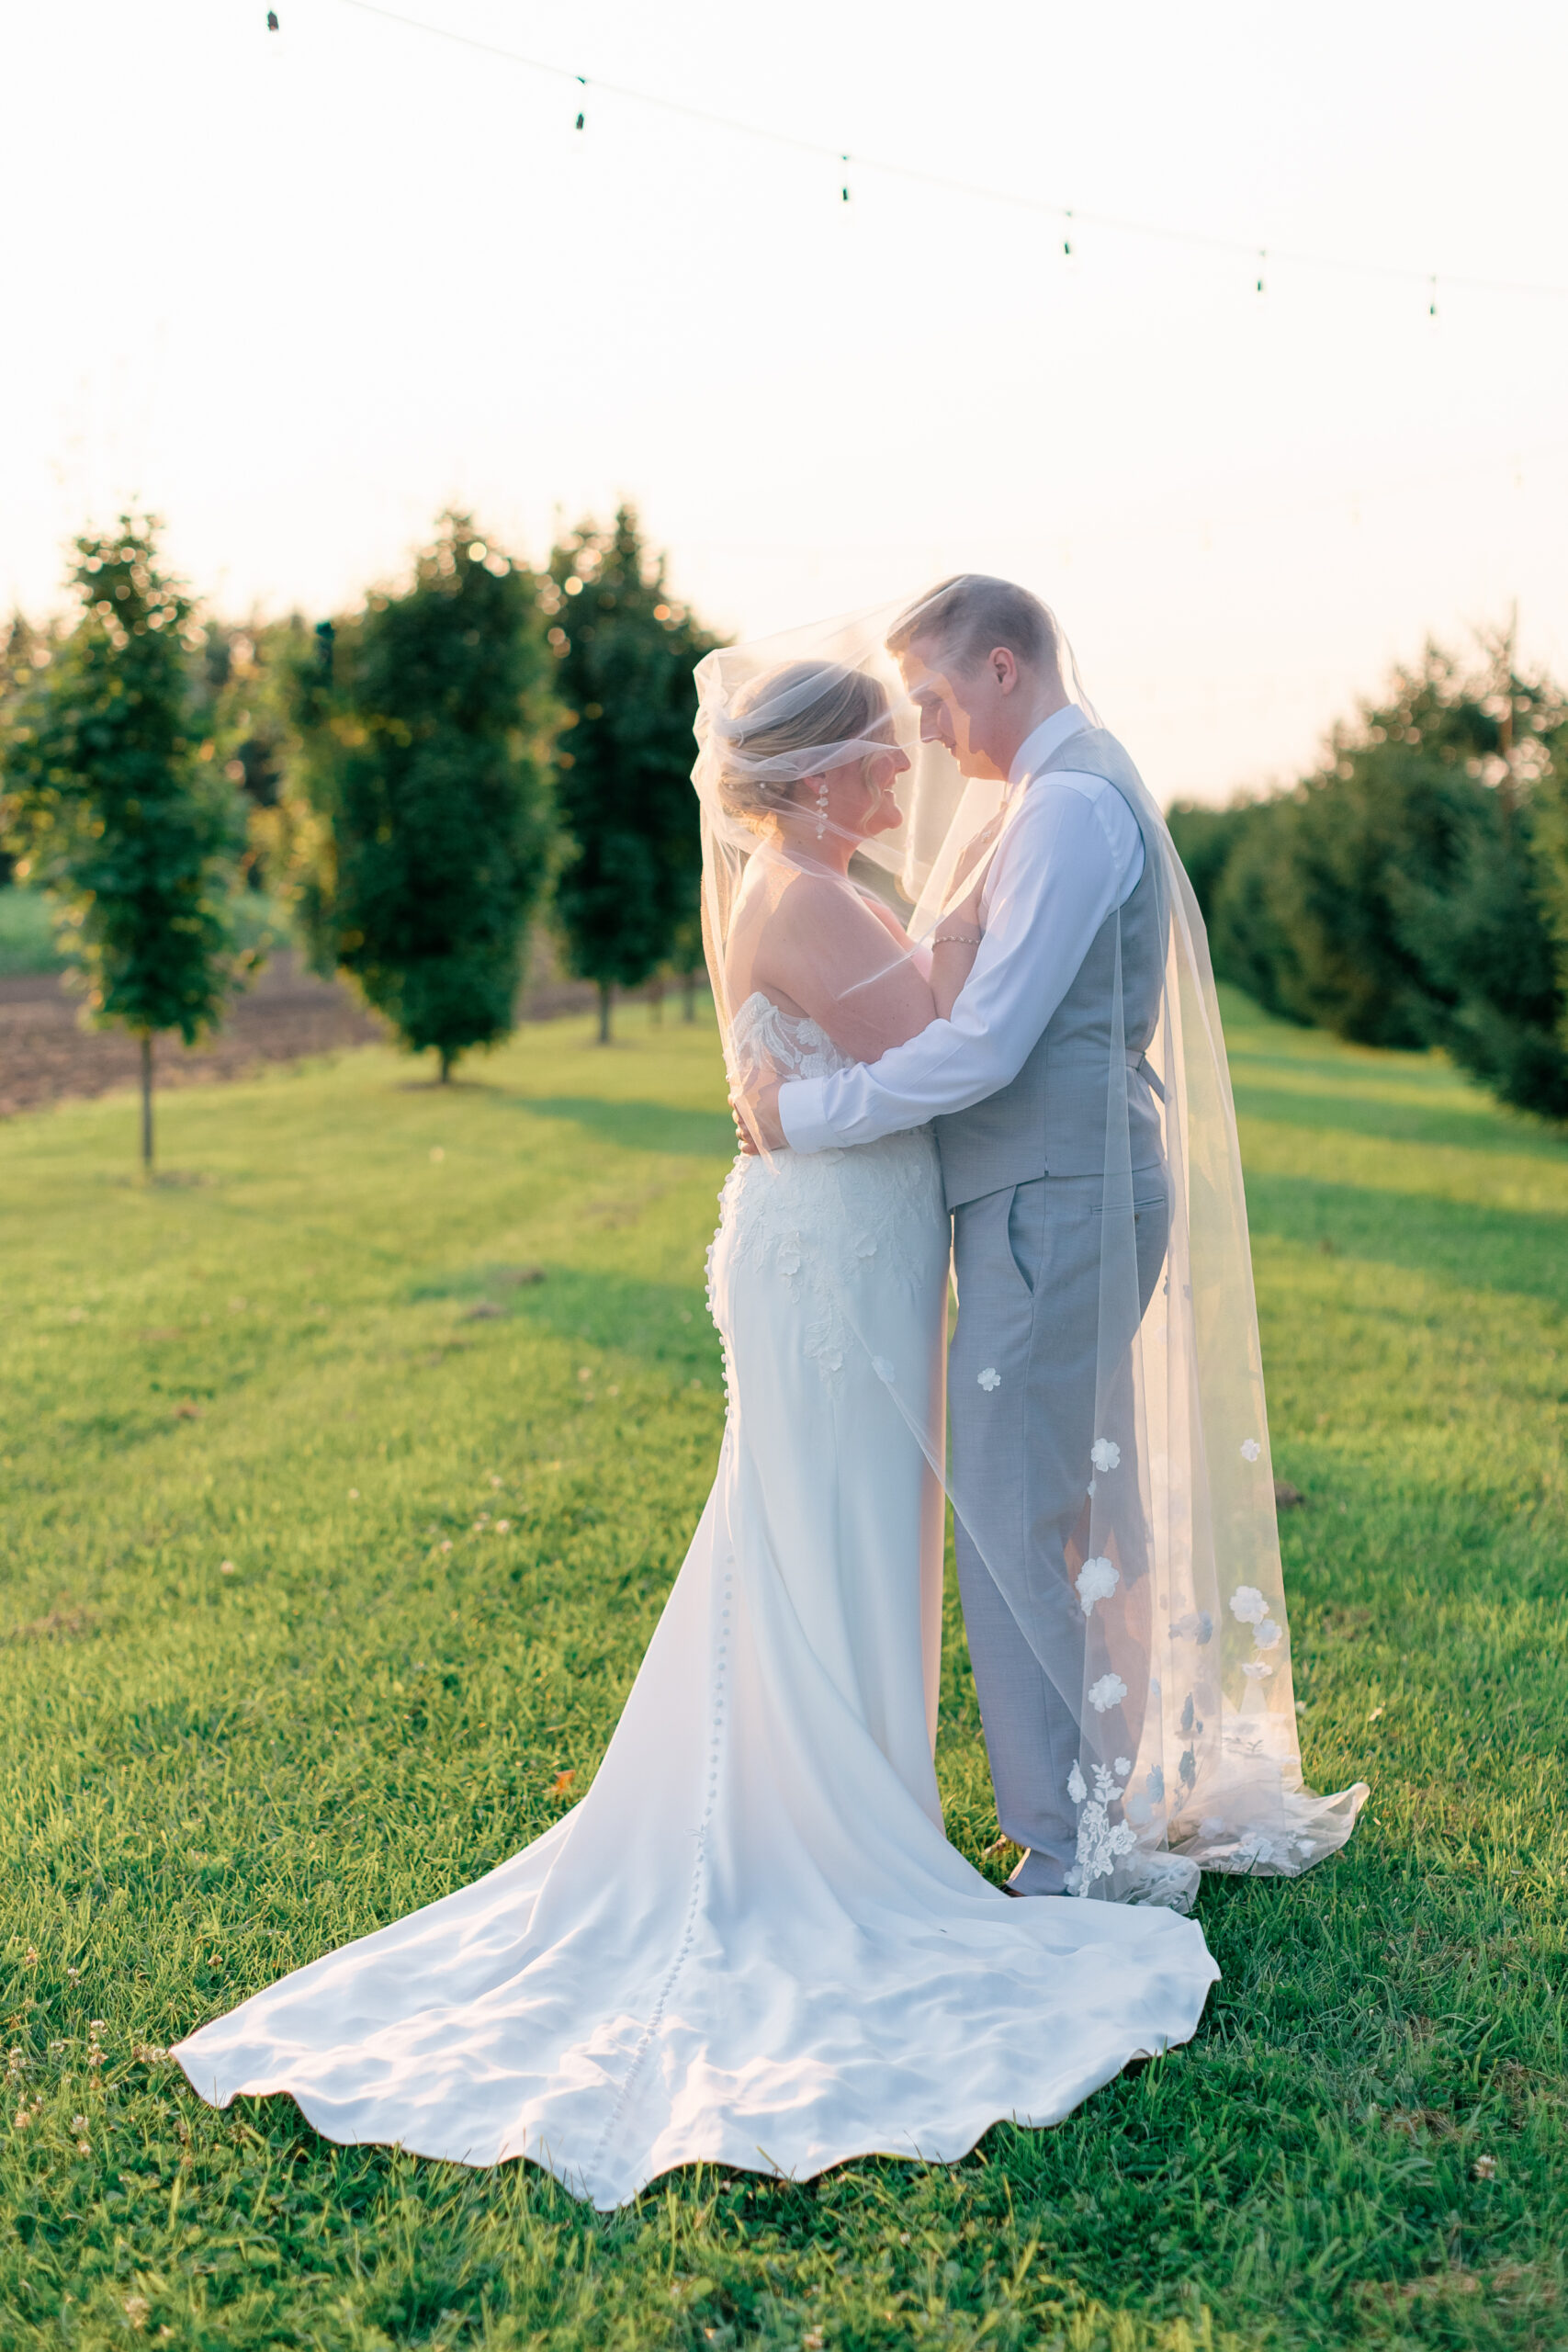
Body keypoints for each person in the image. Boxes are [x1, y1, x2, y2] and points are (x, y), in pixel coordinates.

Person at [172, 643, 1221, 2212]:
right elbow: (936, 1030)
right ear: (808, 782)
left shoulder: (806, 884)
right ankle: (818, 1826)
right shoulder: (799, 897)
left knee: (835, 1531)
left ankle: (854, 1792)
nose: (902, 777)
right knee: (827, 1530)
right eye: (877, 755)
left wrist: (976, 898)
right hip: (835, 1257)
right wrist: (996, 890)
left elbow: (923, 1003)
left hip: (843, 1242)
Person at [734, 578, 1366, 1907]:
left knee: (1019, 1513)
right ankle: (1106, 1795)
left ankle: (1076, 1847)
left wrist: (807, 1110)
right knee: (1068, 1502)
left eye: (938, 695)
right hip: (1047, 1196)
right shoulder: (1049, 799)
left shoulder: (1072, 808)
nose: (922, 729)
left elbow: (984, 1045)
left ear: (1006, 667)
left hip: (1056, 1199)